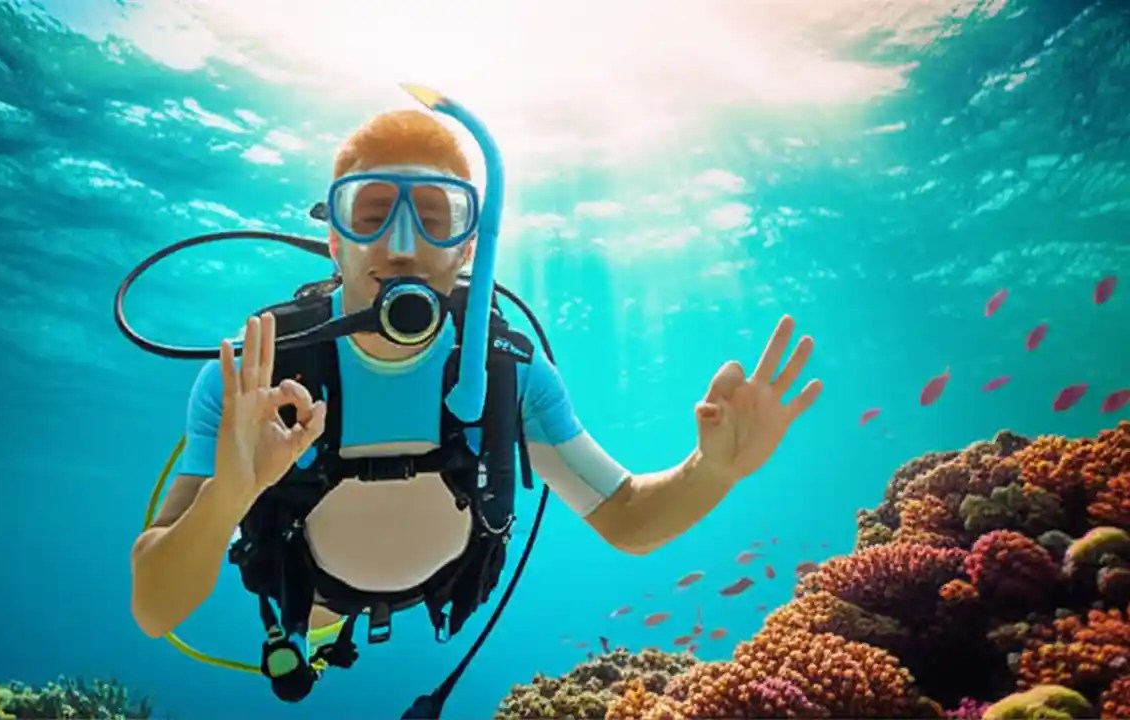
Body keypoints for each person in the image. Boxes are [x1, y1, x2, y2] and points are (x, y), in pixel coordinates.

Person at [128, 107, 822, 705]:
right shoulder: (256, 372)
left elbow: (629, 519)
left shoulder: (506, 369)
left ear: (469, 247)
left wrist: (714, 470)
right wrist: (228, 497)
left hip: (446, 586)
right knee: (308, 618)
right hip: (312, 601)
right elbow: (156, 608)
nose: (402, 245)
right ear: (334, 238)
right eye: (370, 213)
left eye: (437, 217)